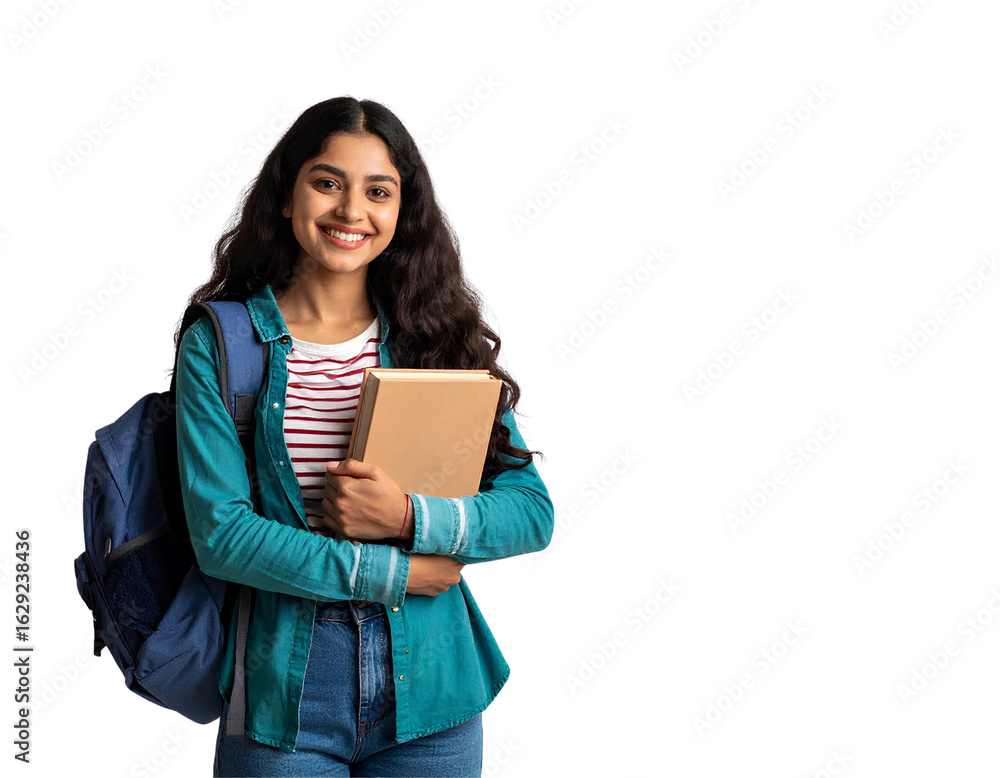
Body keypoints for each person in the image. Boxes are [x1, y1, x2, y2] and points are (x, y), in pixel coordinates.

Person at [171, 96, 554, 777]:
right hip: (284, 701)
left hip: (434, 690)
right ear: (286, 196)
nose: (352, 211)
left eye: (378, 191)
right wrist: (397, 572)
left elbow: (531, 510)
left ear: (402, 213)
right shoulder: (222, 343)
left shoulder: (434, 336)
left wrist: (409, 516)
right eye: (327, 182)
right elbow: (222, 533)